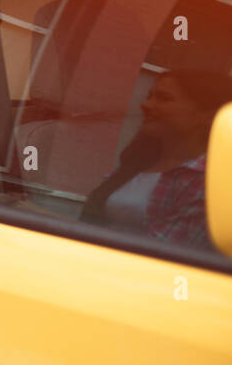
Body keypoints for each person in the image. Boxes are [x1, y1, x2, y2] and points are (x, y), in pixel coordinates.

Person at [81, 68, 232, 252]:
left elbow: (162, 255)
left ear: (208, 115)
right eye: (149, 96)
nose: (145, 105)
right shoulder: (138, 162)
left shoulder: (209, 182)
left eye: (164, 98)